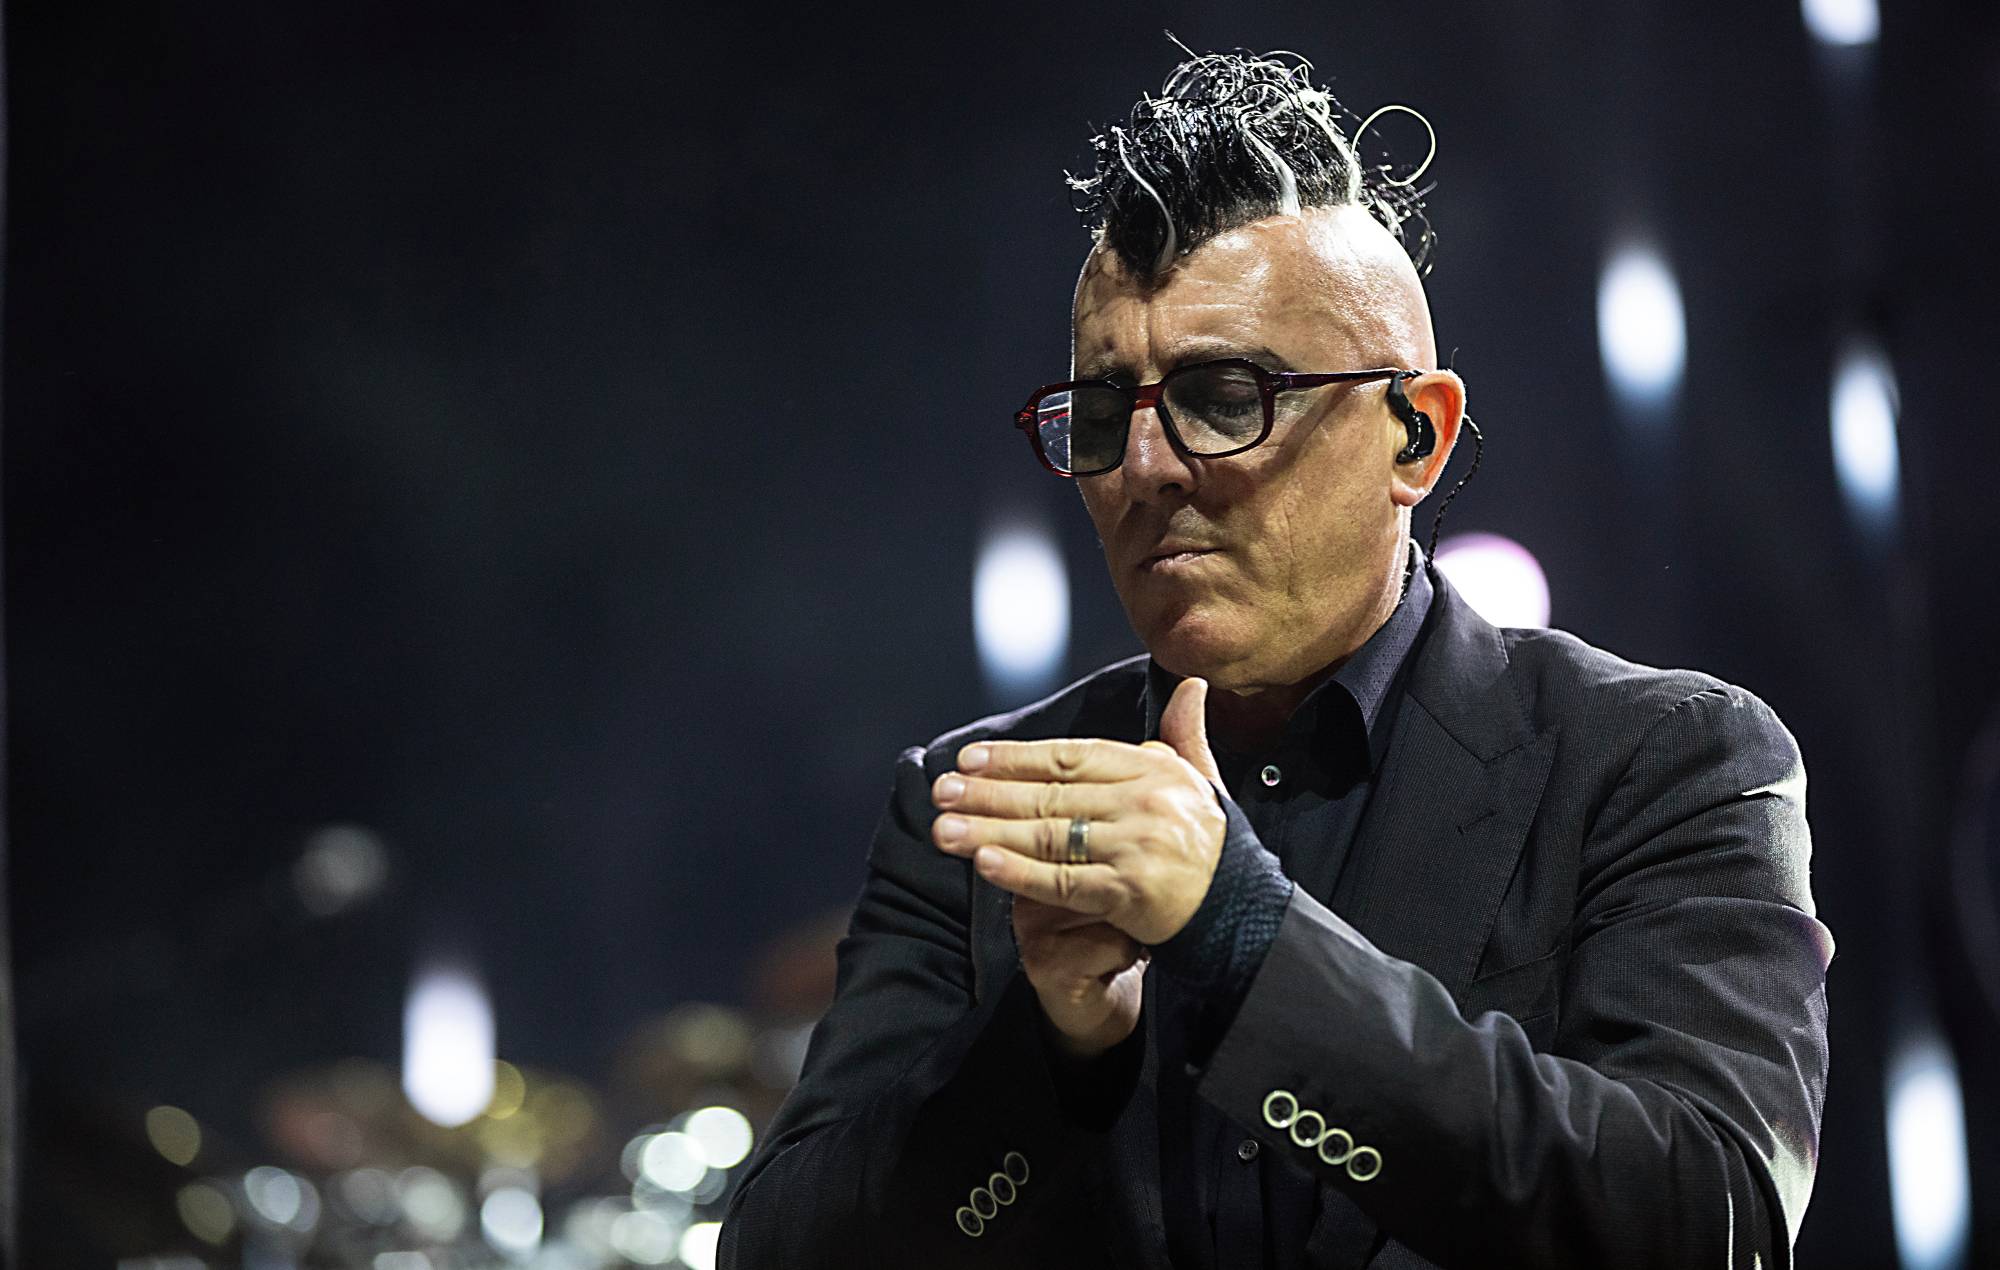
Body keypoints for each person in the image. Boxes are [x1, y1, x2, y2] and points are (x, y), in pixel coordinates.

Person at [720, 47, 1831, 1270]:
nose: (1145, 467)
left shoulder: (1659, 758)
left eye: (1224, 394)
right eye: (1104, 411)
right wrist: (1050, 1047)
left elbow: (1709, 1223)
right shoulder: (971, 802)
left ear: (1415, 435)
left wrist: (1240, 930)